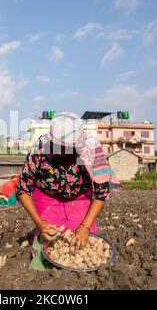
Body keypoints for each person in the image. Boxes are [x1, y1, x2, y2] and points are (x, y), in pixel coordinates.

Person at [16, 112, 121, 270]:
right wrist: (40, 222)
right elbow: (23, 189)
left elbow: (101, 192)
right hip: (47, 197)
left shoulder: (91, 148)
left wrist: (85, 226)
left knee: (81, 239)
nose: (65, 153)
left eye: (70, 148)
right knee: (50, 238)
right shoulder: (40, 148)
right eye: (60, 148)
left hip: (78, 198)